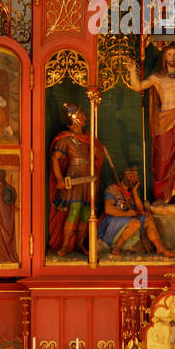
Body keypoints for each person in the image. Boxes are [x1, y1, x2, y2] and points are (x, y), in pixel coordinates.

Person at [126, 44, 175, 207]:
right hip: (164, 123)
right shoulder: (157, 77)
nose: (173, 58)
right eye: (169, 54)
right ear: (165, 57)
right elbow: (137, 86)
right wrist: (132, 71)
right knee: (162, 161)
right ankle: (163, 195)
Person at [48, 103, 104, 256]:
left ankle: (79, 243)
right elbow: (55, 158)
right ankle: (65, 245)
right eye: (81, 115)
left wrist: (97, 151)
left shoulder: (88, 139)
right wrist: (60, 179)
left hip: (90, 179)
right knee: (74, 210)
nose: (85, 118)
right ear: (74, 118)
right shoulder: (66, 139)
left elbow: (99, 158)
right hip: (75, 178)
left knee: (87, 212)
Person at [97, 165, 168, 255]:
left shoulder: (130, 194)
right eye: (130, 176)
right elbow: (108, 209)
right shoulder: (112, 189)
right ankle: (116, 248)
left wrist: (134, 192)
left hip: (128, 223)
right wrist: (127, 214)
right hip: (112, 224)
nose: (133, 179)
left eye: (135, 177)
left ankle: (160, 248)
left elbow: (140, 210)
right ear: (122, 176)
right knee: (136, 223)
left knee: (148, 218)